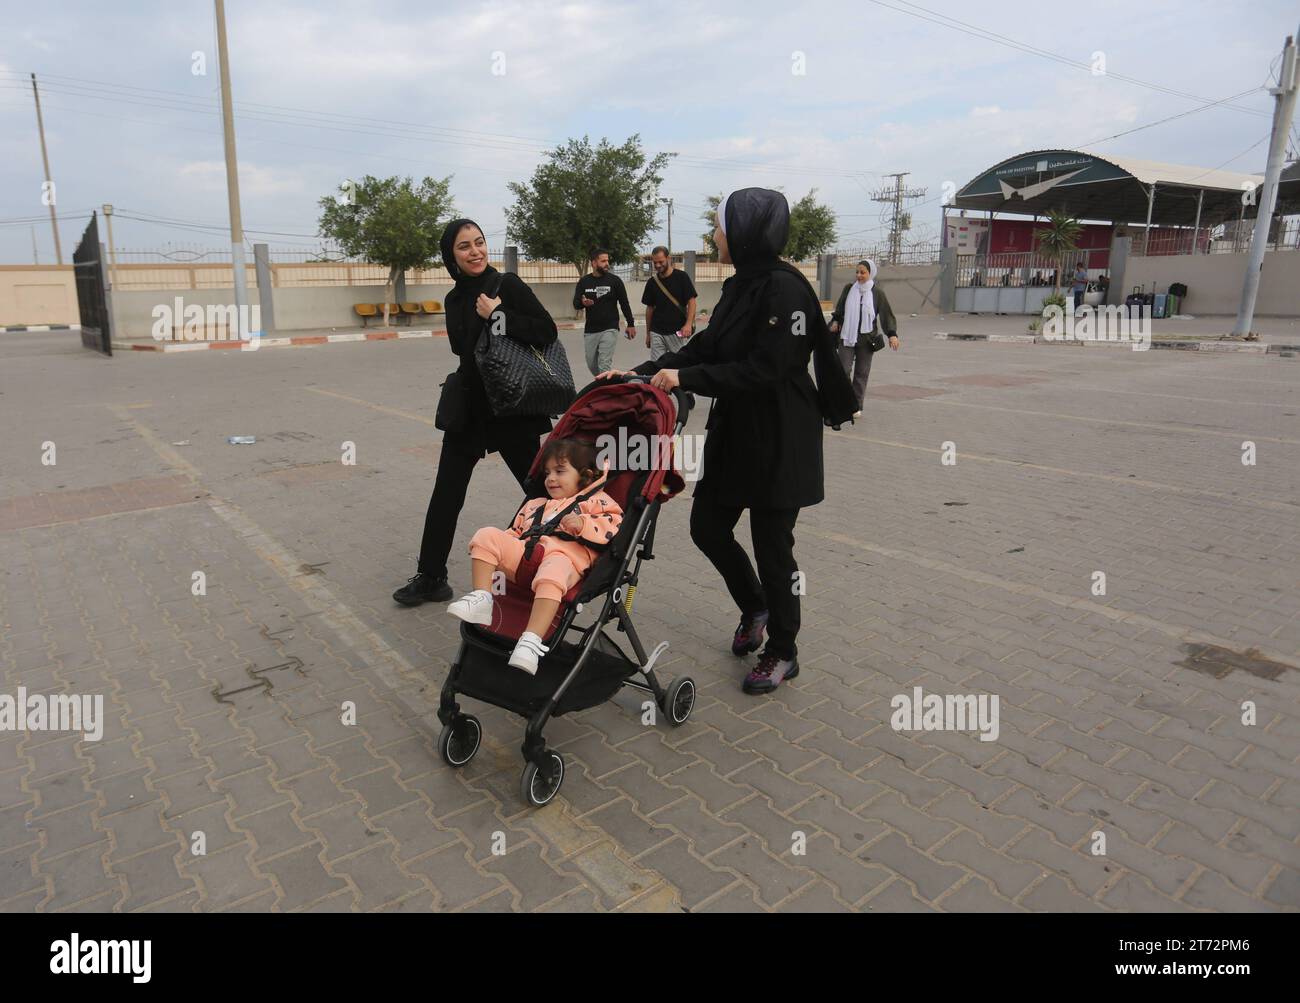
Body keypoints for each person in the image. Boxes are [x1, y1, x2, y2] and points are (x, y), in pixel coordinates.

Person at [598, 187, 849, 695]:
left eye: (720, 228)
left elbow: (769, 367)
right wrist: (646, 372)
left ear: (747, 233)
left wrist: (688, 381)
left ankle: (783, 648)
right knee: (707, 526)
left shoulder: (786, 289)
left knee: (772, 545)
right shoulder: (742, 285)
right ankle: (754, 604)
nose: (714, 237)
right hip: (738, 431)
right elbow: (707, 345)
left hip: (782, 438)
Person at [393, 218, 558, 607]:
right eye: (464, 246)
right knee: (446, 494)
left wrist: (499, 315)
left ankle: (556, 565)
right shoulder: (454, 299)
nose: (475, 251)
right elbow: (462, 347)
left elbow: (546, 331)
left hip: (512, 408)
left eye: (480, 242)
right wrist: (482, 319)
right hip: (470, 409)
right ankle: (431, 576)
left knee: (539, 493)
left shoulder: (509, 286)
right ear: (452, 257)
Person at [448, 438, 622, 674]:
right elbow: (514, 533)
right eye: (547, 472)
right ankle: (482, 598)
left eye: (560, 471)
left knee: (555, 569)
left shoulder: (599, 504)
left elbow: (612, 529)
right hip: (526, 558)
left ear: (587, 475)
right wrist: (502, 546)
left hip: (563, 561)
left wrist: (582, 523)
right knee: (486, 535)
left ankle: (531, 639)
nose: (550, 478)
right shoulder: (536, 504)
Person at [829, 259, 899, 416]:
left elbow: (886, 315)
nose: (859, 275)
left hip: (867, 340)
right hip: (847, 336)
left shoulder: (877, 293)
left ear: (870, 273)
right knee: (843, 369)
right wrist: (835, 321)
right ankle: (845, 401)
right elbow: (840, 309)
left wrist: (892, 334)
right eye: (857, 272)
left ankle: (856, 405)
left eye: (863, 272)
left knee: (861, 373)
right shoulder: (849, 289)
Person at [573, 249, 636, 377]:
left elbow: (624, 303)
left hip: (610, 328)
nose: (607, 263)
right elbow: (576, 303)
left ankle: (606, 391)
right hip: (591, 330)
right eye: (603, 261)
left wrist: (631, 324)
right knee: (591, 364)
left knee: (604, 364)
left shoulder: (615, 281)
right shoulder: (584, 282)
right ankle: (608, 382)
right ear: (594, 263)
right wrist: (583, 303)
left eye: (607, 260)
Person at [641, 245, 698, 362]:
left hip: (677, 332)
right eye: (655, 262)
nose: (657, 265)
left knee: (677, 365)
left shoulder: (682, 277)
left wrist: (688, 324)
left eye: (661, 262)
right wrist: (648, 334)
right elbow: (649, 309)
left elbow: (692, 302)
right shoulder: (652, 282)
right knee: (656, 366)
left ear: (669, 258)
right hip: (657, 331)